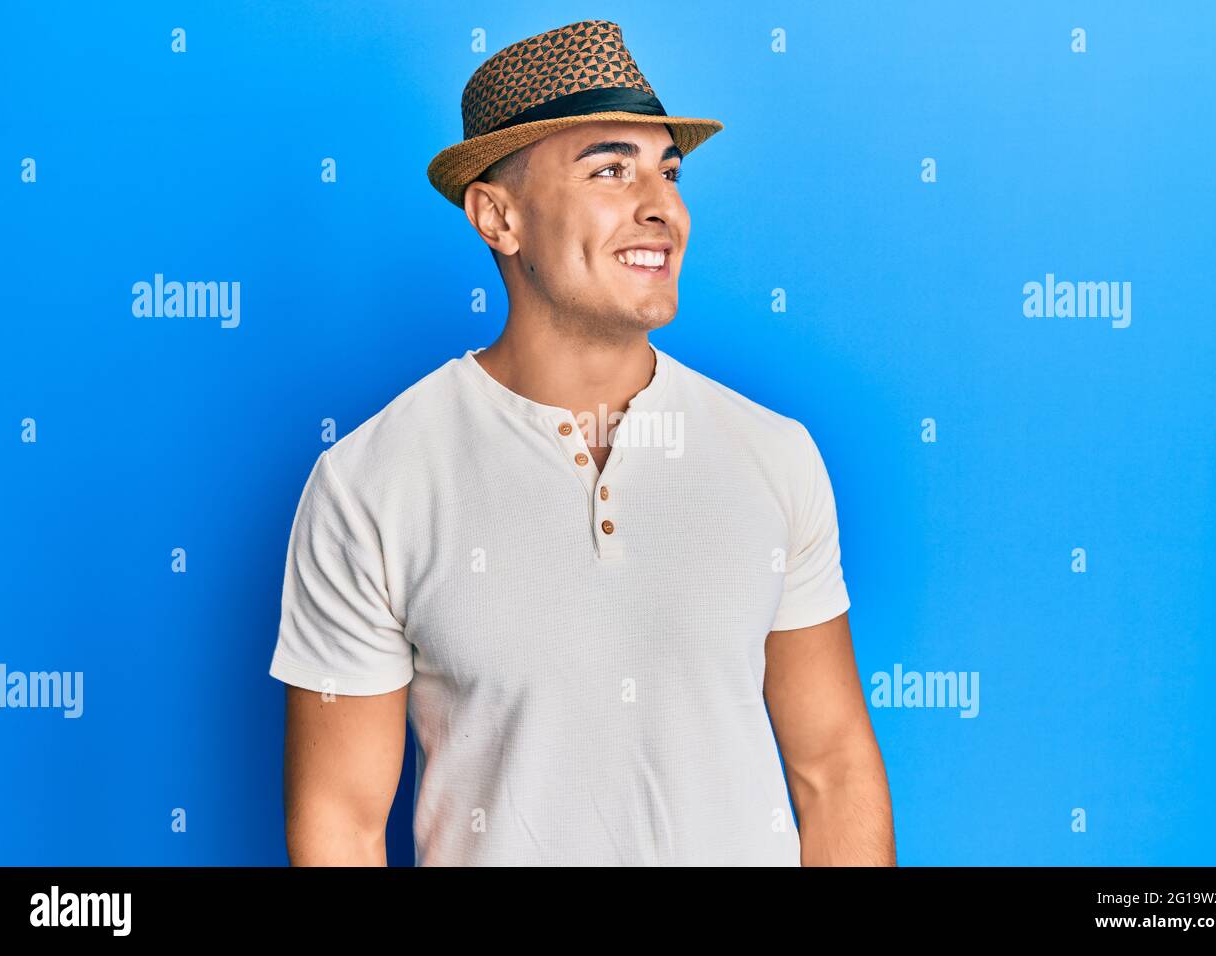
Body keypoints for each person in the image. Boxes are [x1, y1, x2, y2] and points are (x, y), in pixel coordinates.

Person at [269, 18, 895, 866]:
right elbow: (338, 825)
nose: (661, 208)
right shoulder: (369, 484)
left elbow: (835, 769)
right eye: (610, 169)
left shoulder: (774, 454)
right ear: (498, 217)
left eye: (667, 173)